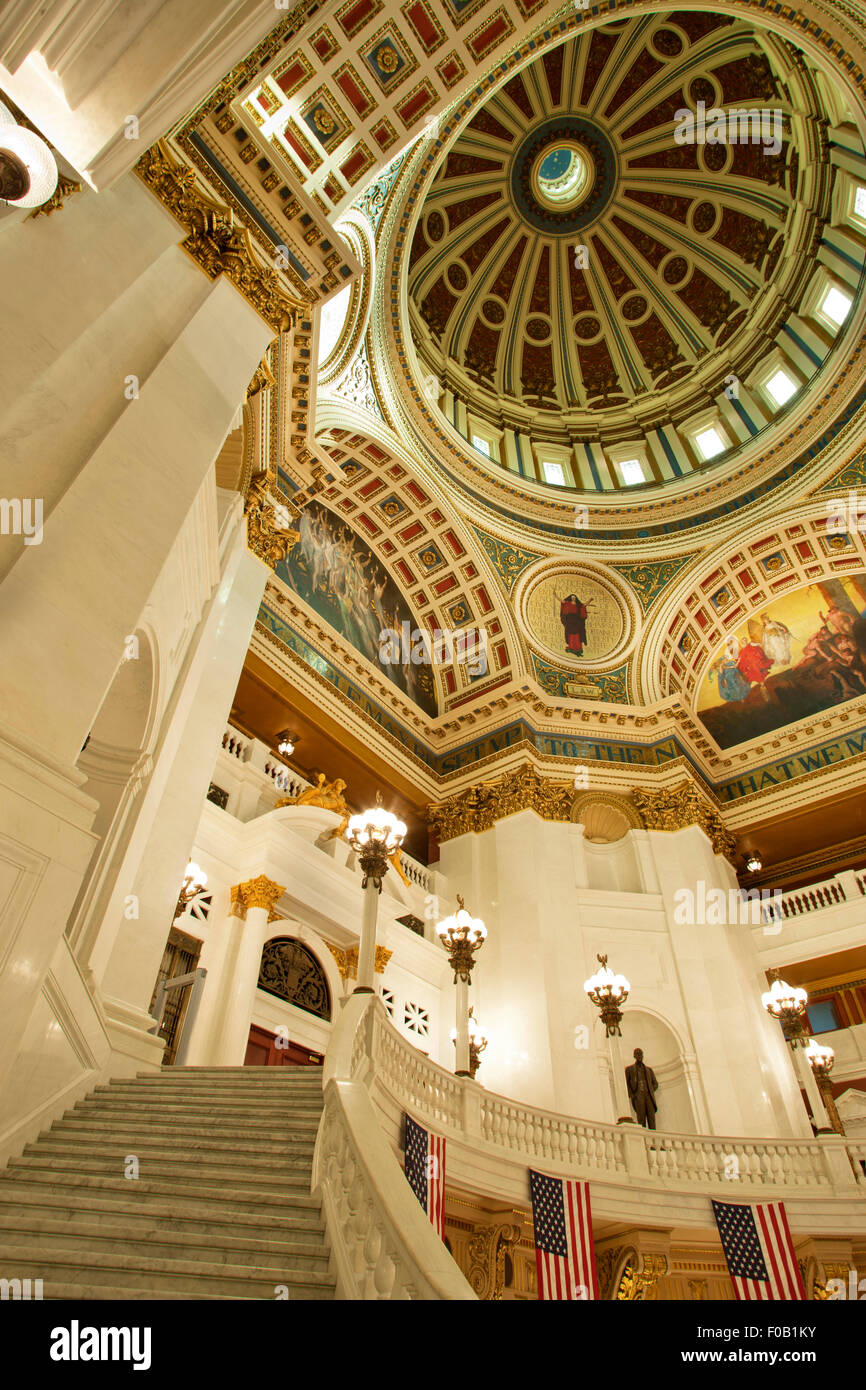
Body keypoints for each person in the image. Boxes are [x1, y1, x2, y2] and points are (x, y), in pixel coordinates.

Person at [625, 1047, 659, 1129]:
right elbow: (626, 1084)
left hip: (648, 1096)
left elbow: (655, 1084)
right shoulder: (629, 1069)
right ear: (634, 1056)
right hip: (638, 1095)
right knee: (641, 1118)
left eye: (640, 1054)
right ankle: (644, 1139)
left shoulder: (649, 1070)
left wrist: (650, 1090)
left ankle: (653, 1137)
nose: (639, 1055)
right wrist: (633, 1095)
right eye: (637, 1054)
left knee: (651, 1118)